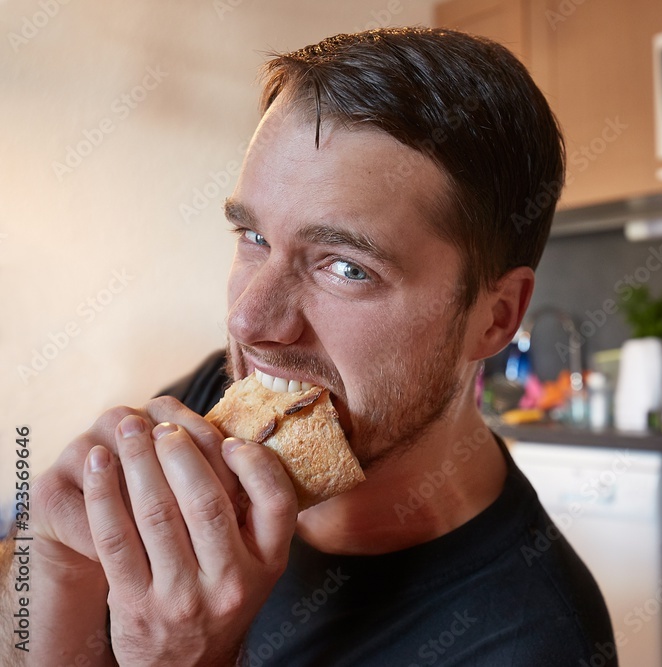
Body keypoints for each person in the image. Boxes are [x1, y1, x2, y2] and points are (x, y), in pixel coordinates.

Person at [10, 27, 618, 666]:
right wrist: (49, 566)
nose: (248, 323)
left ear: (496, 318)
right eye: (253, 237)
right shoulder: (218, 399)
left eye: (347, 267)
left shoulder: (534, 645)